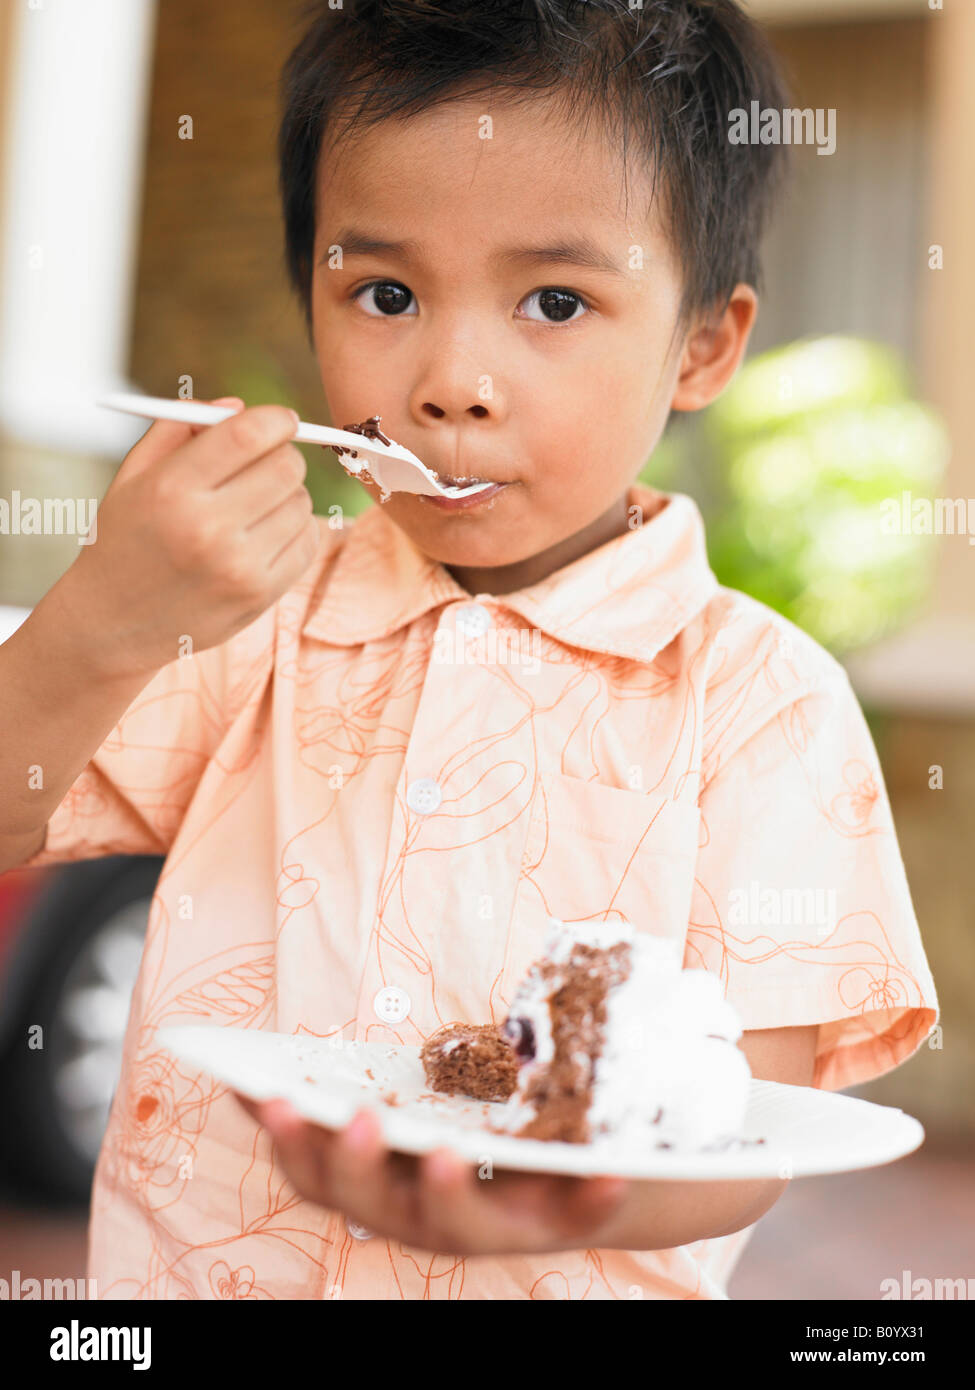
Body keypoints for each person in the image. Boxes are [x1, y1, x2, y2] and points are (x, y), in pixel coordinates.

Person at [0, 0, 938, 1299]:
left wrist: (532, 1212)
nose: (450, 378)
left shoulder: (765, 703)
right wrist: (108, 611)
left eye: (554, 300)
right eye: (384, 293)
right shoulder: (251, 616)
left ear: (704, 344)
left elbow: (749, 1127)